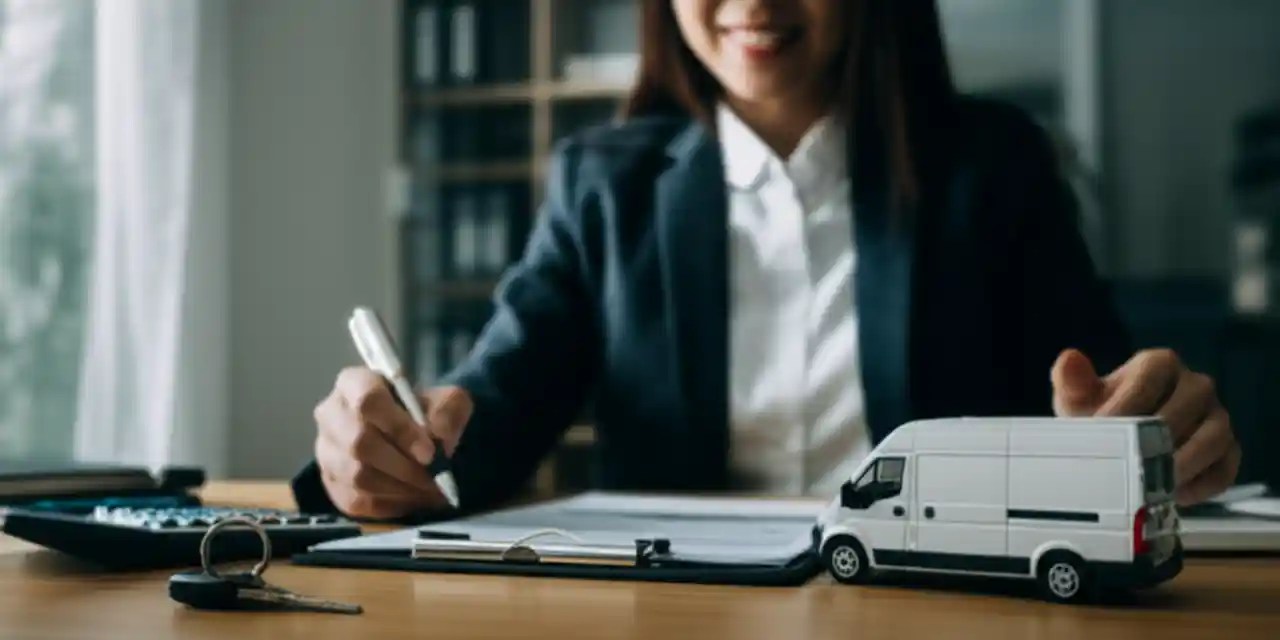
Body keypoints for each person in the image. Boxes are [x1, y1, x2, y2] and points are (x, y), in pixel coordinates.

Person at [296, 0, 1240, 520]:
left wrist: (1156, 435)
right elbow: (492, 407)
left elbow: (1111, 414)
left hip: (945, 620)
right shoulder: (602, 183)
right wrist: (391, 452)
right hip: (676, 628)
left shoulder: (994, 167)